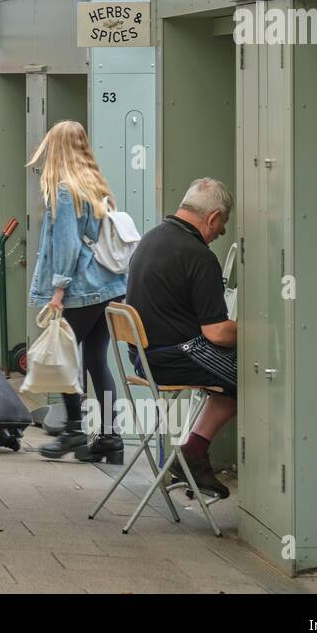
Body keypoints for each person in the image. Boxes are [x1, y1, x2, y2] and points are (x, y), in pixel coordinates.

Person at [124, 176, 237, 497]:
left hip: (143, 358)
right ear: (212, 217)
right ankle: (194, 453)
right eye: (223, 223)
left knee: (234, 376)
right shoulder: (199, 257)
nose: (222, 232)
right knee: (253, 374)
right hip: (174, 358)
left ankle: (194, 453)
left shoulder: (151, 239)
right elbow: (216, 333)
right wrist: (255, 330)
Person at [26, 122, 128, 465]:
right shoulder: (97, 187)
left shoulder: (66, 190)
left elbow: (67, 245)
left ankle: (73, 428)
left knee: (64, 355)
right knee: (97, 360)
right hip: (109, 288)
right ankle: (111, 438)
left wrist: (58, 290)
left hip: (81, 288)